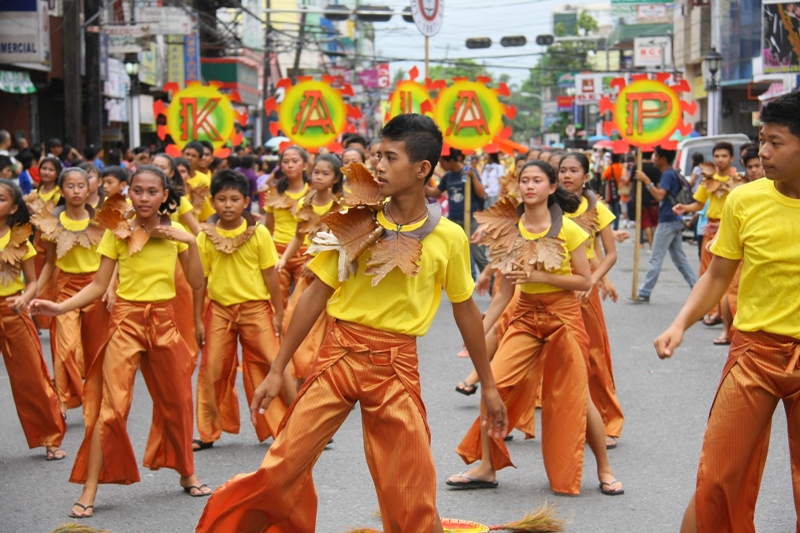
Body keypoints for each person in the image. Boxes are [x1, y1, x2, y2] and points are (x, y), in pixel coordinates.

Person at [195, 114, 507, 533]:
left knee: (411, 491)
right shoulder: (354, 219)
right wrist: (276, 370)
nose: (377, 165)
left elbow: (466, 309)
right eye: (377, 154)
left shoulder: (448, 236)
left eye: (390, 157)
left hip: (396, 368)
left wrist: (487, 385)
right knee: (279, 469)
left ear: (422, 169)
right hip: (337, 357)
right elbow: (315, 295)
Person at [653, 91, 800, 533]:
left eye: (776, 142)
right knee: (718, 476)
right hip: (753, 353)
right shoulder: (745, 200)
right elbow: (717, 276)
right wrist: (680, 323)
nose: (763, 152)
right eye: (761, 140)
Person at [30, 165, 213, 519]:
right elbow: (98, 286)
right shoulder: (117, 233)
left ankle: (187, 473)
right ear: (129, 192)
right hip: (126, 322)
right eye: (138, 190)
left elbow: (195, 283)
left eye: (152, 191)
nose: (144, 197)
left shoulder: (174, 233)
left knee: (177, 402)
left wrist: (189, 242)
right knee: (111, 408)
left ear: (164, 196)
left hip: (163, 322)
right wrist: (59, 306)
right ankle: (90, 488)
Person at [446, 160, 623, 496]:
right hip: (526, 316)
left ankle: (605, 468)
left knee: (578, 397)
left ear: (552, 188)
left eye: (537, 180)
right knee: (492, 385)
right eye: (524, 180)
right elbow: (504, 294)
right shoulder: (511, 230)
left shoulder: (569, 229)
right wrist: (479, 332)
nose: (529, 186)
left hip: (564, 315)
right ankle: (486, 467)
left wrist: (540, 277)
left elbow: (584, 280)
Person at [192, 169, 290, 451]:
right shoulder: (205, 236)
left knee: (272, 364)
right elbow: (201, 282)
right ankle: (207, 431)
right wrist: (198, 319)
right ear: (213, 201)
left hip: (256, 308)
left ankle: (282, 426)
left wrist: (279, 311)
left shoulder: (258, 233)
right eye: (221, 199)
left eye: (234, 199)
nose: (227, 205)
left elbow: (271, 274)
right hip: (220, 310)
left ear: (246, 201)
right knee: (211, 368)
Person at [558, 152, 624, 447]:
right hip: (551, 285)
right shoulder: (548, 206)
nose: (566, 176)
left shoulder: (598, 210)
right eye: (562, 170)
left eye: (573, 171)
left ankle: (608, 422)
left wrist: (595, 282)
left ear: (586, 176)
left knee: (594, 356)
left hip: (585, 287)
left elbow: (607, 254)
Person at [0, 178, 67, 461]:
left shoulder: (20, 240)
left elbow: (31, 282)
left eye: (1, 198)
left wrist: (26, 299)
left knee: (31, 377)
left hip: (13, 312)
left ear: (13, 207)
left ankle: (50, 437)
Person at [33, 167, 109, 414]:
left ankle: (98, 399)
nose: (76, 191)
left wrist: (112, 288)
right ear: (62, 190)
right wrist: (34, 290)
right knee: (65, 348)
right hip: (66, 288)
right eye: (70, 186)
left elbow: (114, 259)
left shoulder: (102, 220)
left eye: (80, 186)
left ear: (89, 189)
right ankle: (62, 402)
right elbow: (50, 262)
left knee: (97, 350)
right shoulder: (53, 224)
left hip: (96, 287)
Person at [277, 153, 343, 389]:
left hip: (331, 275)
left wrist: (317, 262)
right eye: (316, 172)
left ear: (335, 178)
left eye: (325, 173)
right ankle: (303, 375)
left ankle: (324, 378)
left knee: (328, 329)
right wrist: (284, 259)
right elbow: (299, 236)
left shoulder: (341, 206)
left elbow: (342, 241)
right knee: (292, 321)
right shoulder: (306, 202)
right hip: (309, 274)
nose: (319, 177)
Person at [673, 142, 739, 325]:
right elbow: (699, 204)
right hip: (710, 229)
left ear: (731, 158)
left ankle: (726, 313)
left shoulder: (739, 181)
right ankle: (712, 310)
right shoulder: (708, 179)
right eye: (717, 156)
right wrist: (684, 207)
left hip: (730, 230)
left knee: (729, 275)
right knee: (708, 272)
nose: (720, 159)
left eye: (724, 156)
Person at [627, 147, 697, 303]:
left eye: (655, 155)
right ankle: (696, 287)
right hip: (675, 220)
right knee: (680, 259)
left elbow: (659, 196)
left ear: (663, 159)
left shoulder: (667, 175)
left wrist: (646, 180)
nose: (653, 158)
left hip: (667, 220)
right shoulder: (672, 173)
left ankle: (644, 292)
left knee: (656, 257)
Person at [425, 148, 488, 275]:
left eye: (443, 162)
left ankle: (490, 284)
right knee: (456, 255)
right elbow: (436, 193)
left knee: (478, 255)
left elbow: (482, 194)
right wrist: (420, 184)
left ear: (452, 160)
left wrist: (473, 176)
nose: (441, 166)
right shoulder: (448, 176)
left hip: (471, 219)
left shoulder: (469, 172)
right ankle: (467, 283)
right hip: (454, 220)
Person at [263, 145, 310, 308]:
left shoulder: (314, 193)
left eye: (295, 161)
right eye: (286, 161)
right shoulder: (273, 193)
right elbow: (268, 227)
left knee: (302, 303)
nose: (289, 165)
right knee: (276, 302)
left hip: (306, 252)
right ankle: (278, 333)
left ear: (304, 165)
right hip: (278, 251)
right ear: (281, 166)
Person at [182, 142, 215, 222]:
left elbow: (207, 211)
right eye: (187, 154)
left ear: (199, 160)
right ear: (182, 155)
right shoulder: (173, 178)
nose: (189, 158)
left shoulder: (204, 181)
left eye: (194, 156)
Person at [601, 153, 623, 229]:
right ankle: (616, 227)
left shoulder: (610, 168)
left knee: (608, 209)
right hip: (619, 190)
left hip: (610, 192)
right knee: (616, 210)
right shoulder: (621, 167)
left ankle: (608, 227)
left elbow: (603, 178)